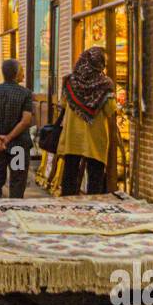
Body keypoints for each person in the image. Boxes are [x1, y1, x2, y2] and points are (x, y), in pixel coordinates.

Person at [57, 46, 116, 196]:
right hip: (95, 136)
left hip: (73, 136)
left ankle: (67, 202)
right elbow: (110, 110)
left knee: (70, 171)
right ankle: (93, 204)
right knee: (95, 173)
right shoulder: (105, 84)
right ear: (99, 63)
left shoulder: (70, 81)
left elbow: (62, 104)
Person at [0, 59, 34, 198]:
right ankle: (15, 209)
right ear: (16, 74)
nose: (24, 74)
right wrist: (8, 138)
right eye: (22, 70)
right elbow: (26, 121)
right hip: (19, 145)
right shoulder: (25, 93)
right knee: (17, 179)